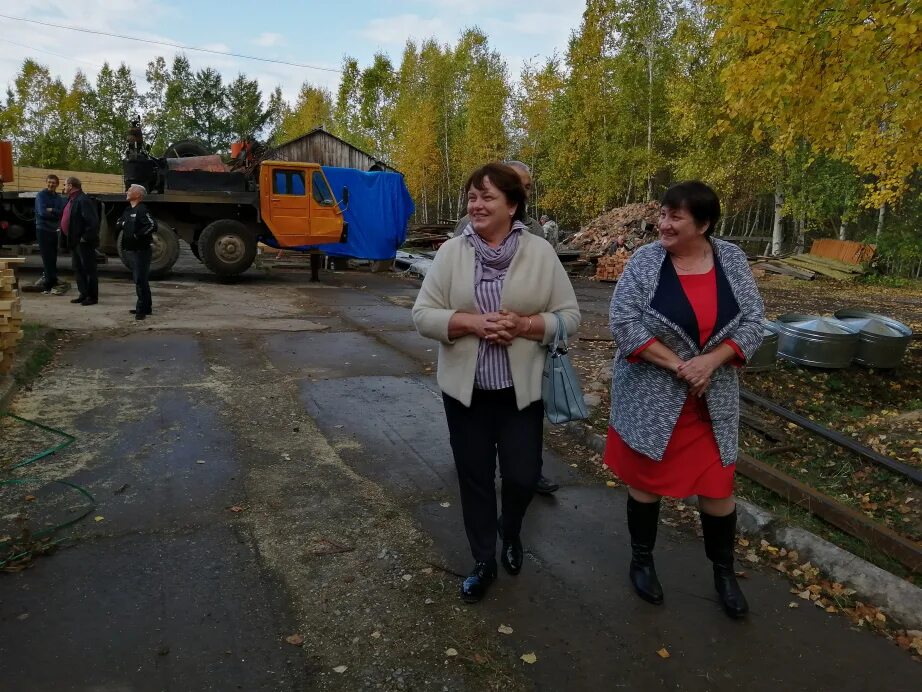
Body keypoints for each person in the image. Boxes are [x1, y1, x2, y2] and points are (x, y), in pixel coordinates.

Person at [413, 162, 580, 604]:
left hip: (520, 393)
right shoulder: (452, 253)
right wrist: (469, 322)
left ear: (512, 204)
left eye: (487, 197)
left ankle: (513, 530)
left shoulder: (540, 253)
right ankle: (483, 558)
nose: (477, 204)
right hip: (466, 396)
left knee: (523, 477)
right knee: (476, 479)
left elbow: (570, 316)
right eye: (472, 196)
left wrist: (525, 325)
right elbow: (422, 315)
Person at [604, 181, 764, 619]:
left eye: (676, 217)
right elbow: (624, 322)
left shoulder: (730, 259)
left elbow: (753, 321)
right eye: (663, 214)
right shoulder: (646, 260)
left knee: (718, 491)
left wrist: (711, 361)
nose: (664, 224)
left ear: (704, 224)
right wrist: (681, 366)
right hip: (654, 396)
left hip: (711, 400)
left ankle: (724, 573)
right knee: (646, 484)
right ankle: (641, 560)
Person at [454, 160, 560, 496]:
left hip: (525, 363)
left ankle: (529, 472)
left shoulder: (537, 235)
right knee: (477, 460)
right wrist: (475, 322)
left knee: (523, 456)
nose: (525, 191)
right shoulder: (465, 230)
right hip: (473, 367)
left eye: (528, 186)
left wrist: (526, 323)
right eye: (519, 184)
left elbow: (552, 291)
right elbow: (447, 289)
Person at [117, 184, 156, 320]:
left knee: (140, 279)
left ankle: (142, 310)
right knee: (139, 280)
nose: (127, 192)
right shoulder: (128, 210)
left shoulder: (142, 209)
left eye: (130, 190)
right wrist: (123, 225)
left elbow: (152, 225)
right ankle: (146, 307)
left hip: (142, 250)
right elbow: (120, 222)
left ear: (138, 195)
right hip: (131, 250)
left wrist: (138, 235)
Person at [61, 177, 100, 306]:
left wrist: (85, 238)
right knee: (78, 268)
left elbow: (92, 222)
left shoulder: (83, 200)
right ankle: (83, 294)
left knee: (88, 269)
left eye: (65, 185)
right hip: (74, 241)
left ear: (71, 186)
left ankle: (92, 297)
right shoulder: (72, 199)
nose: (64, 187)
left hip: (83, 242)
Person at [33, 174, 68, 294]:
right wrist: (54, 213)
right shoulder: (41, 196)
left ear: (57, 184)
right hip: (42, 229)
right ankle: (48, 284)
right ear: (46, 183)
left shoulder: (58, 198)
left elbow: (61, 213)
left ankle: (52, 280)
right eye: (49, 182)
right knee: (47, 257)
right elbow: (42, 213)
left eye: (53, 183)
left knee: (53, 257)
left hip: (54, 230)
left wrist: (52, 210)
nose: (51, 184)